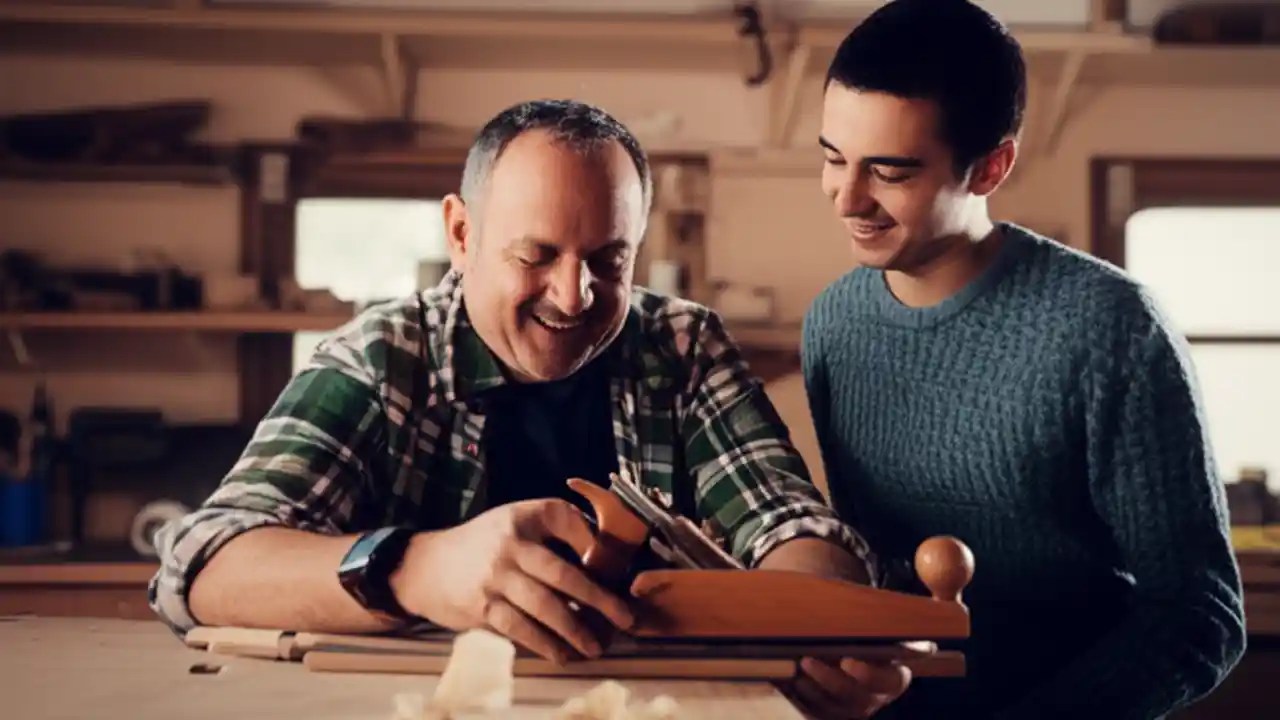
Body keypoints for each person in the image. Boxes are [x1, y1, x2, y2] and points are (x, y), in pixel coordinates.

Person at [151, 99, 908, 719]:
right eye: (535, 255)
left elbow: (789, 520)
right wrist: (417, 569)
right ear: (461, 233)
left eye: (610, 260)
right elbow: (203, 564)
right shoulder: (380, 358)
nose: (573, 296)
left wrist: (823, 622)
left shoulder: (680, 345)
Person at [802, 1, 1246, 718]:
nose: (848, 197)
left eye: (891, 172)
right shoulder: (833, 324)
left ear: (992, 166)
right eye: (832, 158)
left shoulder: (1110, 328)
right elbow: (876, 567)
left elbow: (1200, 615)